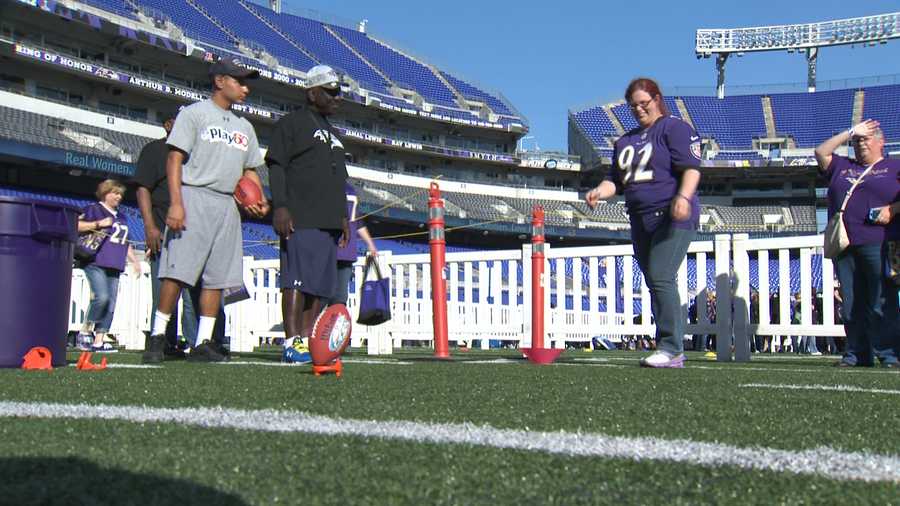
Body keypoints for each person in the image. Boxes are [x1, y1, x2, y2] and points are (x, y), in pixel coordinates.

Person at [142, 58, 269, 363]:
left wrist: (260, 198)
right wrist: (176, 202)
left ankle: (203, 342)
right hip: (194, 194)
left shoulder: (245, 127)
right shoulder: (195, 114)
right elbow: (174, 160)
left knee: (217, 276)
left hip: (227, 203)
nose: (245, 88)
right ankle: (158, 336)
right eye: (239, 81)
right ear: (220, 80)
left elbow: (250, 170)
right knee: (178, 272)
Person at [585, 77, 701, 368]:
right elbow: (616, 181)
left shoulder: (674, 128)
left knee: (661, 276)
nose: (638, 109)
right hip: (640, 218)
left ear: (657, 99)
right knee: (654, 281)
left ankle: (672, 347)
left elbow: (691, 169)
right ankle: (667, 344)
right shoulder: (625, 140)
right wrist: (600, 191)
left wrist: (684, 198)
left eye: (643, 103)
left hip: (671, 214)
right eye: (633, 105)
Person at [266, 65, 350, 363]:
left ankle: (307, 340)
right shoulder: (293, 123)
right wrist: (281, 206)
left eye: (339, 92)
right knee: (297, 281)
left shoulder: (334, 133)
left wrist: (342, 217)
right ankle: (291, 342)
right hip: (301, 214)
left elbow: (339, 177)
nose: (337, 97)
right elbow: (276, 165)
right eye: (330, 92)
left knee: (318, 288)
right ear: (312, 92)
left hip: (329, 220)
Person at [133, 112, 226, 358]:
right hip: (165, 231)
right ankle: (163, 342)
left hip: (197, 232)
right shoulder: (155, 150)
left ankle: (200, 344)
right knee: (165, 292)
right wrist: (150, 226)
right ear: (168, 124)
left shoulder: (199, 153)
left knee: (195, 294)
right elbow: (143, 188)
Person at [814, 119, 900, 368]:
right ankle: (856, 354)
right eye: (857, 141)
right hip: (846, 244)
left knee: (881, 300)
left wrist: (893, 210)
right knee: (851, 302)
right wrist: (851, 131)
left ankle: (890, 354)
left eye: (866, 139)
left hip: (880, 242)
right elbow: (821, 152)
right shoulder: (842, 166)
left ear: (881, 142)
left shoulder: (893, 167)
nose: (861, 144)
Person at [76, 179, 140, 352]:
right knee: (102, 297)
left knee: (111, 304)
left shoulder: (122, 216)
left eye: (120, 194)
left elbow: (124, 241)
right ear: (105, 193)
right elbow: (76, 225)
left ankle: (99, 340)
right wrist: (98, 223)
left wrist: (134, 261)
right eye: (114, 193)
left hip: (115, 263)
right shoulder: (93, 209)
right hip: (96, 260)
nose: (118, 197)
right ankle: (85, 330)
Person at [327, 181, 379, 308]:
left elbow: (357, 221)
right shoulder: (351, 190)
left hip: (334, 249)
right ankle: (331, 321)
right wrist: (370, 244)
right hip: (342, 250)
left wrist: (370, 244)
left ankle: (326, 323)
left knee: (332, 295)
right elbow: (357, 221)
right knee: (338, 295)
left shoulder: (328, 186)